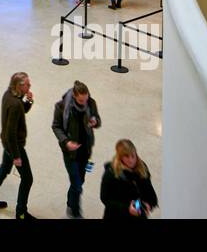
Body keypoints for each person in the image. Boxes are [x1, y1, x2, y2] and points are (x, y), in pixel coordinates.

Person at [0, 71, 35, 218]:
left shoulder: (9, 95)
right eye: (27, 84)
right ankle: (21, 213)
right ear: (19, 86)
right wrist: (16, 155)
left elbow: (22, 110)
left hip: (7, 144)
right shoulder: (14, 104)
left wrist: (29, 101)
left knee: (4, 169)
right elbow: (11, 133)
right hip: (14, 146)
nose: (30, 85)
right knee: (27, 179)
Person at [52, 81, 102, 218]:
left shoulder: (91, 103)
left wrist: (95, 121)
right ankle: (75, 212)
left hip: (85, 150)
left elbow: (97, 119)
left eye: (85, 99)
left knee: (80, 181)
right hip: (70, 152)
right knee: (77, 185)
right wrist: (66, 141)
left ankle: (70, 202)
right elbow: (56, 126)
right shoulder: (61, 106)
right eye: (81, 100)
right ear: (74, 95)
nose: (84, 102)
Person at [100, 139, 158, 219]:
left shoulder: (142, 168)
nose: (131, 160)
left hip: (137, 210)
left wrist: (149, 204)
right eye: (126, 156)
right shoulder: (111, 173)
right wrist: (127, 208)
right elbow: (105, 198)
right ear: (120, 157)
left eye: (133, 156)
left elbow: (148, 189)